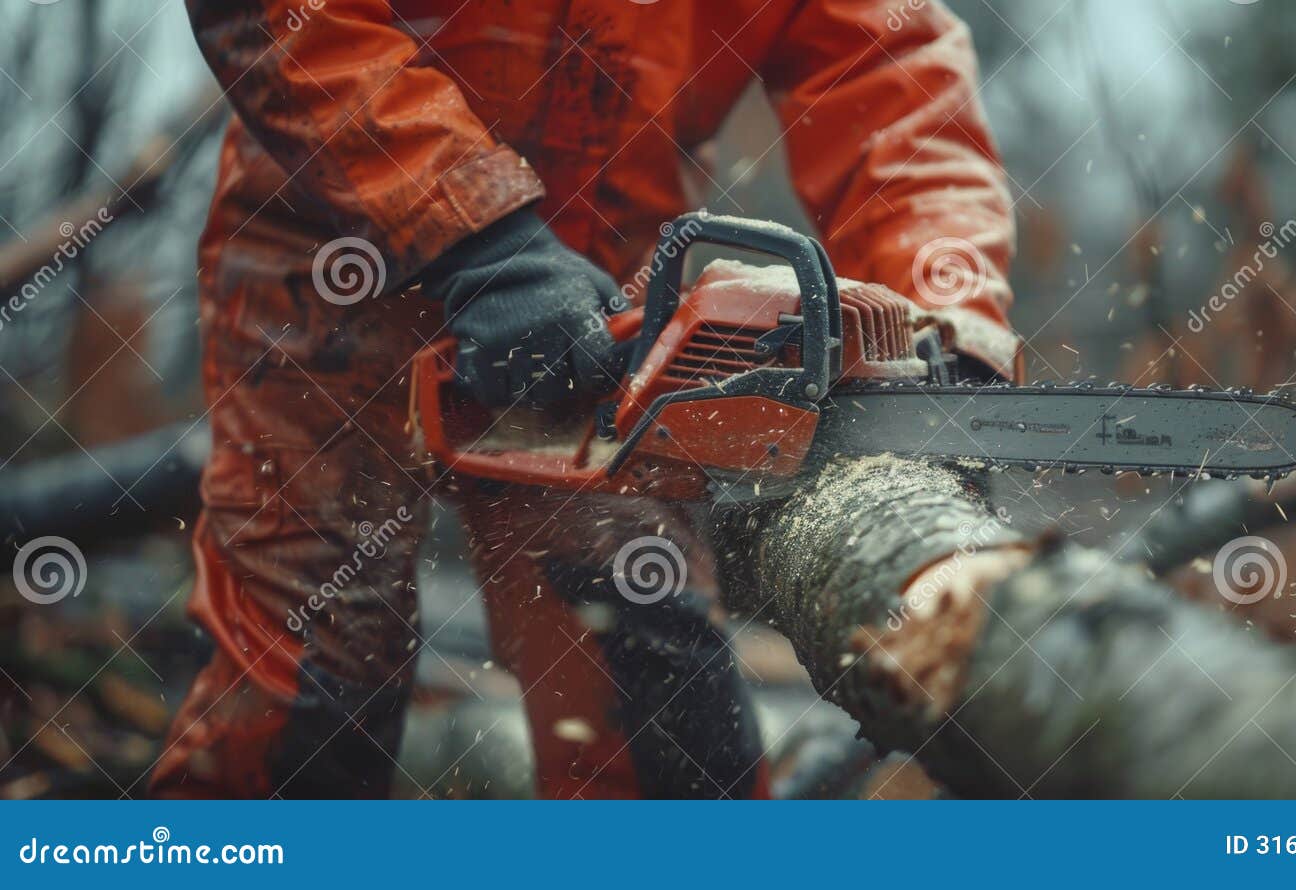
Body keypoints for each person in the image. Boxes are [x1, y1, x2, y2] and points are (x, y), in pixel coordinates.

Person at [152, 0, 1018, 799]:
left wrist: (946, 322)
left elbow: (889, 71)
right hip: (336, 250)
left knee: (649, 667)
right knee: (311, 665)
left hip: (612, 284)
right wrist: (480, 234)